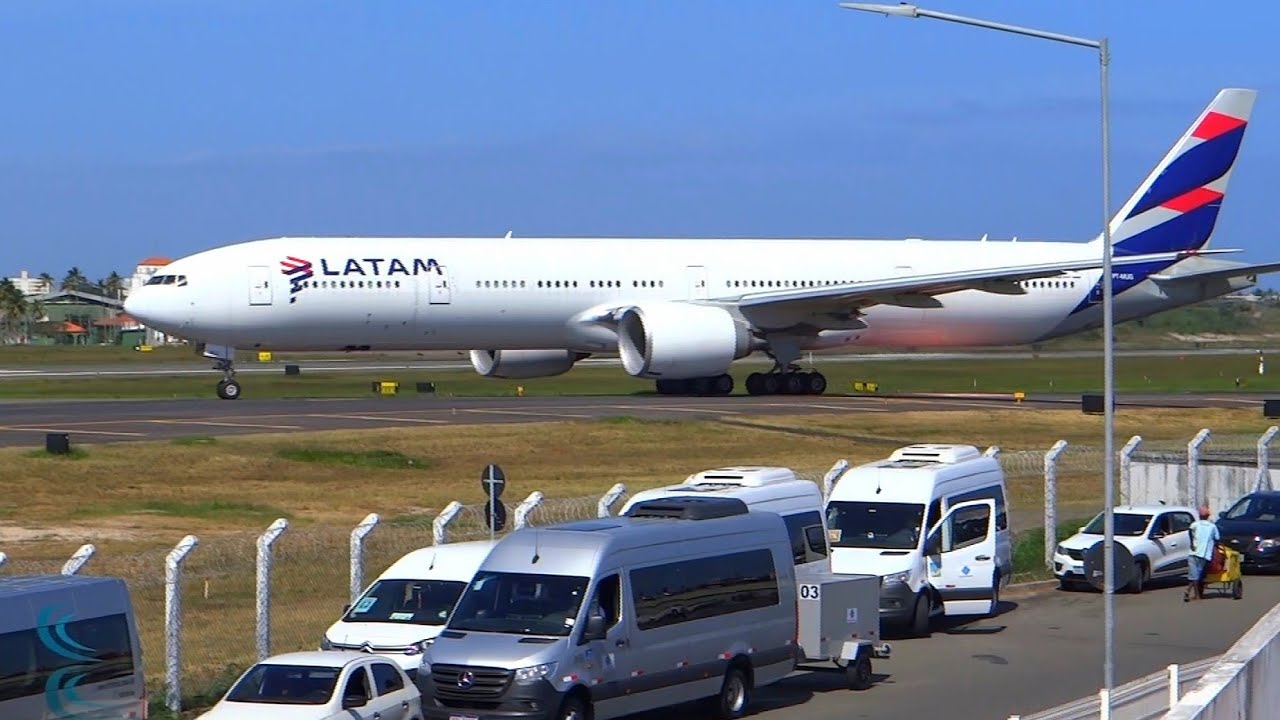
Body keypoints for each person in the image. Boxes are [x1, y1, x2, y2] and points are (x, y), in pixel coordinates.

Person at [1186, 504, 1220, 602]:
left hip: (1193, 552)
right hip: (1204, 554)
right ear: (1208, 516)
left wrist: (1192, 543)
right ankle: (1195, 594)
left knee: (1193, 574)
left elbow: (1190, 531)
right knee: (1197, 574)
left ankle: (1189, 590)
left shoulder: (1195, 524)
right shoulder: (1212, 526)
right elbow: (1217, 539)